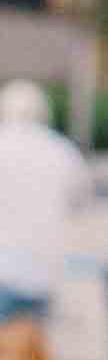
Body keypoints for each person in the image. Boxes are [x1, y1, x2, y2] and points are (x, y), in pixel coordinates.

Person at [0, 71, 94, 324]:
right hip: (44, 272)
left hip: (3, 269)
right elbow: (80, 200)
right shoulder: (62, 151)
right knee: (30, 352)